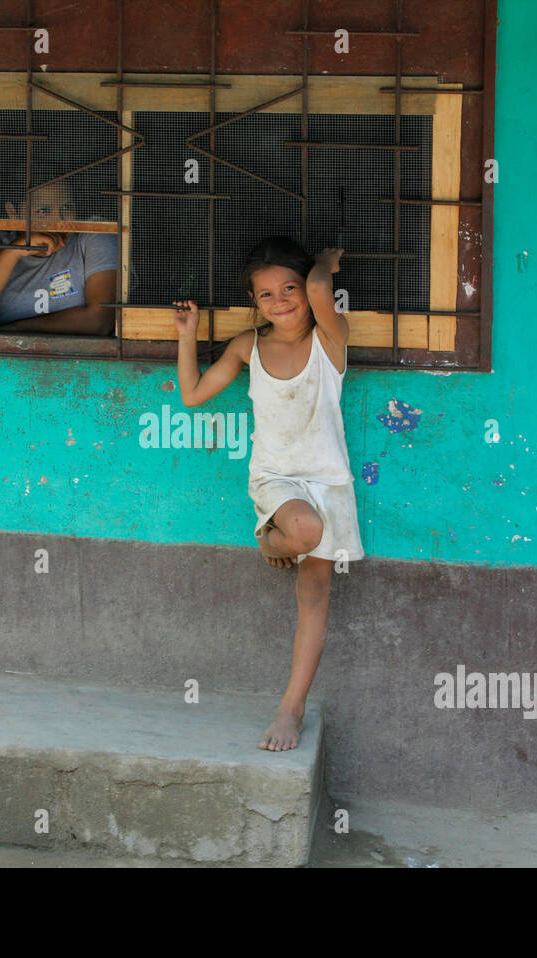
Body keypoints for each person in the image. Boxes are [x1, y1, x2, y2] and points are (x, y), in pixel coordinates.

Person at [172, 236, 364, 751]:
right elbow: (192, 395)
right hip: (276, 480)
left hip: (328, 481)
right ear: (253, 303)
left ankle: (291, 706)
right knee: (303, 530)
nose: (279, 301)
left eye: (289, 288)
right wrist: (187, 335)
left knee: (316, 595)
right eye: (264, 295)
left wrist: (324, 262)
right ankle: (271, 539)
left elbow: (323, 286)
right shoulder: (247, 346)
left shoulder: (331, 338)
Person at [0, 177, 117, 334]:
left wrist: (13, 330)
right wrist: (14, 251)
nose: (59, 220)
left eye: (67, 208)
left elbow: (100, 320)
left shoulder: (92, 235)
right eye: (43, 211)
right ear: (13, 213)